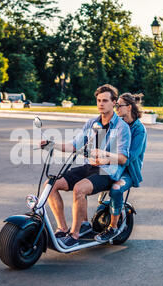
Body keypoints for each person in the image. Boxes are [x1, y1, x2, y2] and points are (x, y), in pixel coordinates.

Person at [40, 84, 131, 249]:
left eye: (105, 100)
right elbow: (74, 146)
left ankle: (74, 236)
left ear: (114, 102)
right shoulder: (91, 123)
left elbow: (123, 158)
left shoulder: (121, 127)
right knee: (50, 185)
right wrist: (51, 145)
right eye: (98, 100)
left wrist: (104, 157)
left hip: (107, 171)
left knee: (79, 189)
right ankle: (62, 229)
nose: (101, 104)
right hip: (89, 167)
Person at [93, 93, 147, 243]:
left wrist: (106, 158)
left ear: (129, 107)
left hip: (128, 172)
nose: (116, 108)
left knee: (116, 190)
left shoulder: (139, 130)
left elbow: (130, 157)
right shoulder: (118, 124)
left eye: (119, 105)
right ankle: (85, 225)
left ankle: (113, 227)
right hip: (112, 166)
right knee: (84, 182)